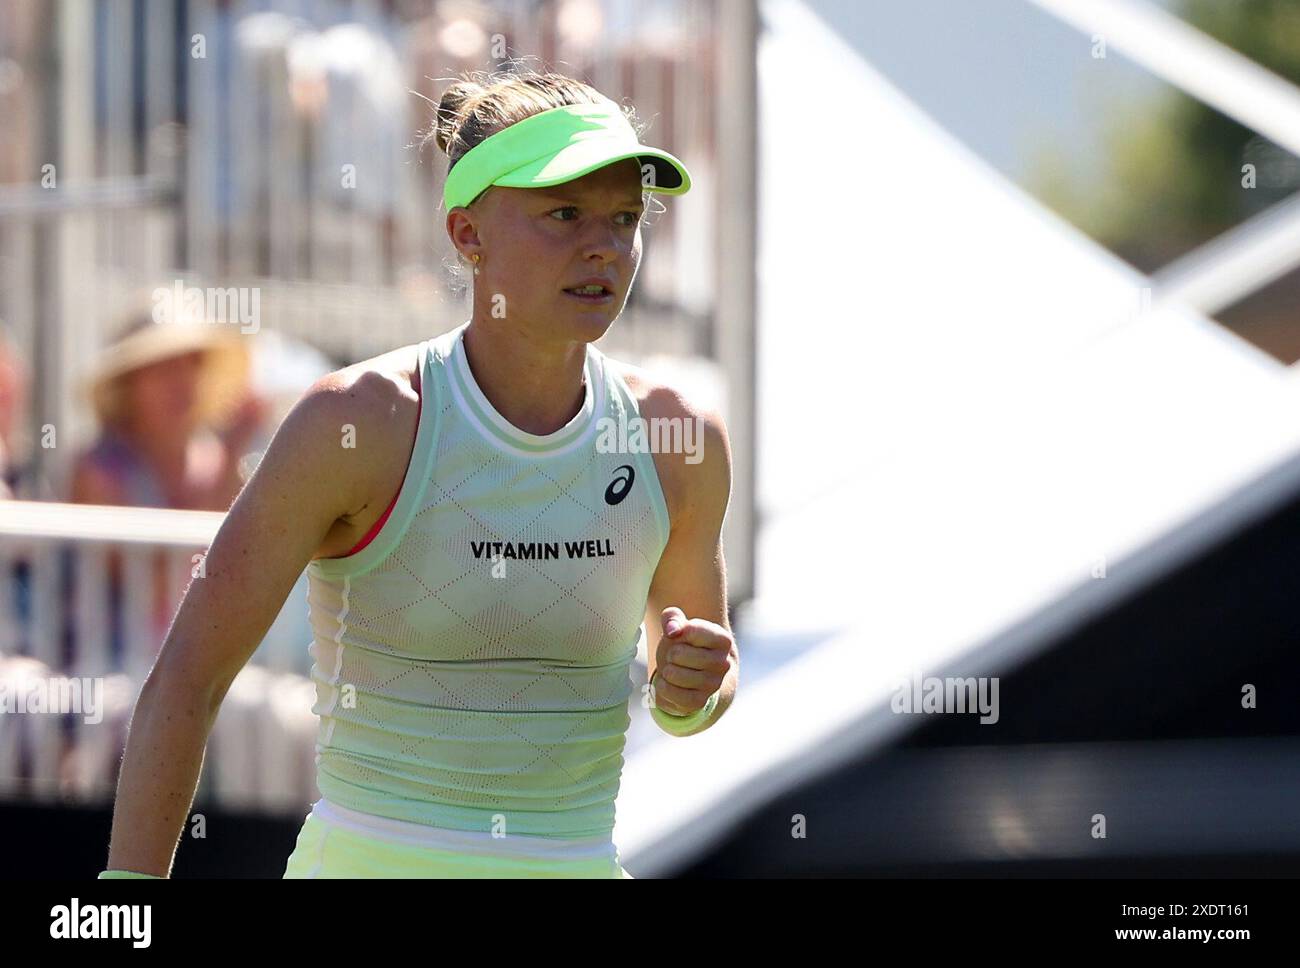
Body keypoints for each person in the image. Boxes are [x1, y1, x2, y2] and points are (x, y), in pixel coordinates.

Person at [99, 68, 739, 880]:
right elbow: (188, 677)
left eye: (624, 219)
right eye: (564, 214)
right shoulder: (357, 421)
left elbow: (694, 696)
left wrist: (693, 692)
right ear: (467, 234)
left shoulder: (678, 438)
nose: (603, 247)